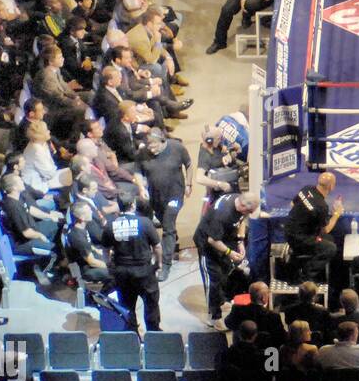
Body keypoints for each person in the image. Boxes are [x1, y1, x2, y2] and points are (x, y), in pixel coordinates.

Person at [100, 192, 162, 333]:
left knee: (127, 305)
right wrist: (158, 264)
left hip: (123, 272)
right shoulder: (145, 222)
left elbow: (105, 250)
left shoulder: (110, 225)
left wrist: (109, 265)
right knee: (151, 303)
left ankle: (132, 332)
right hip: (144, 271)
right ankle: (153, 332)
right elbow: (157, 246)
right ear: (133, 205)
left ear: (119, 206)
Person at [194, 191, 258, 328]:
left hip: (224, 239)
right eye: (249, 210)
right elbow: (212, 240)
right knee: (213, 281)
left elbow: (242, 218)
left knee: (224, 274)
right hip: (207, 244)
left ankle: (221, 301)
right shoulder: (222, 214)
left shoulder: (239, 201)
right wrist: (229, 252)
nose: (250, 213)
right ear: (242, 205)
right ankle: (213, 316)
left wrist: (240, 240)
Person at [137, 128, 191, 282]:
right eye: (149, 146)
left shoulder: (177, 148)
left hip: (175, 194)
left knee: (167, 226)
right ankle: (172, 238)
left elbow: (188, 164)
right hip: (156, 196)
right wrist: (141, 187)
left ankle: (165, 264)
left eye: (154, 146)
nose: (151, 149)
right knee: (165, 221)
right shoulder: (142, 153)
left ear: (163, 141)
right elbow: (137, 171)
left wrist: (188, 184)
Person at [282, 171, 342, 283]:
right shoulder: (321, 206)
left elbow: (292, 204)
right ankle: (306, 276)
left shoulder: (306, 189)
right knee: (331, 248)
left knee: (328, 240)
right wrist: (336, 214)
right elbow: (326, 229)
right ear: (331, 187)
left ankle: (295, 264)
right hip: (300, 238)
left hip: (289, 229)